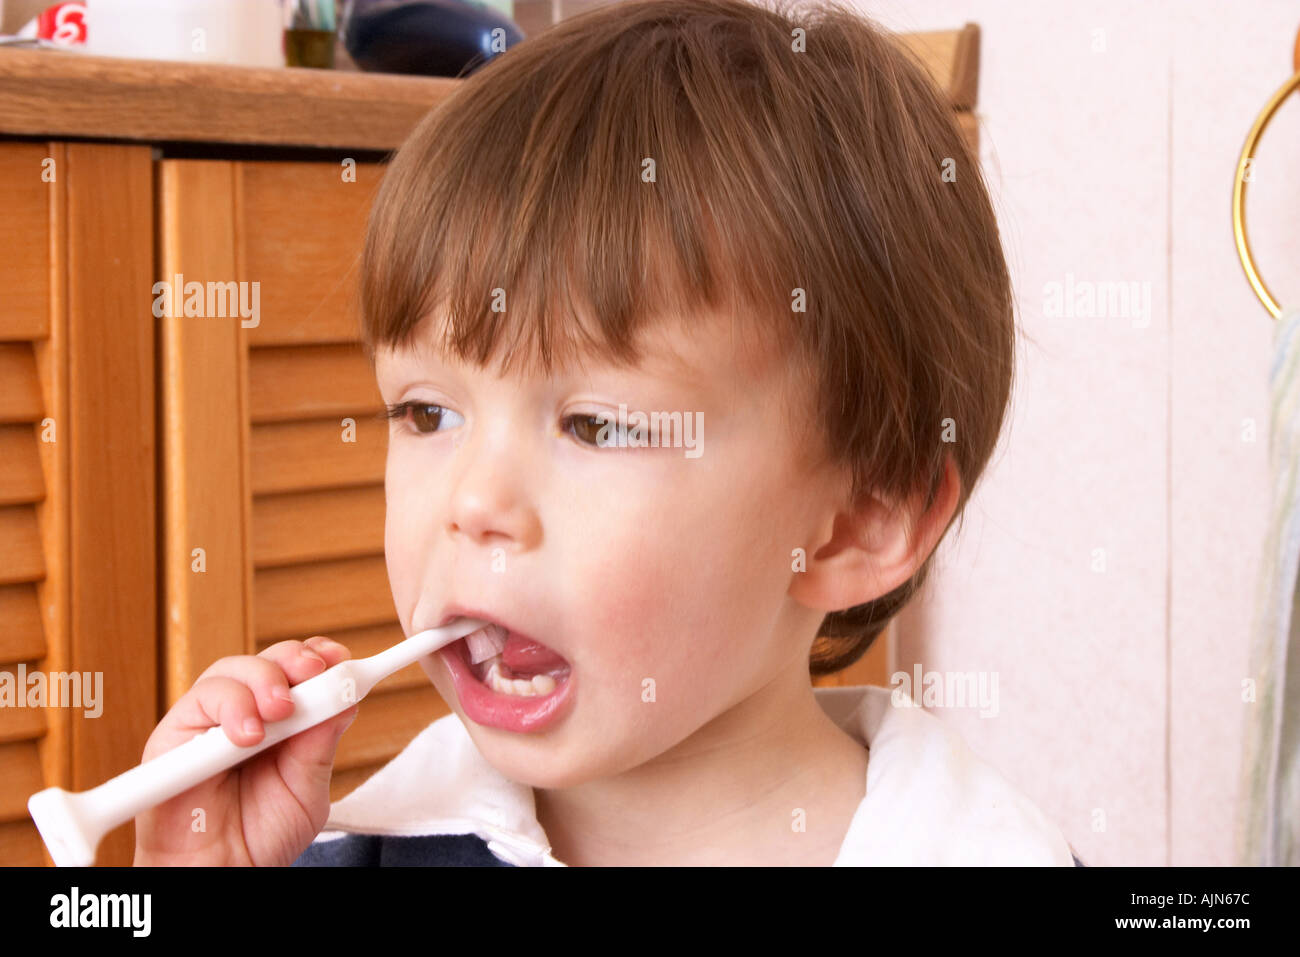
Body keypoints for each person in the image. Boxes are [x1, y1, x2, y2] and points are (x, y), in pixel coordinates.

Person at [133, 0, 1081, 867]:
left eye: (594, 425)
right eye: (428, 412)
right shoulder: (352, 854)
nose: (474, 503)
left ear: (855, 523)